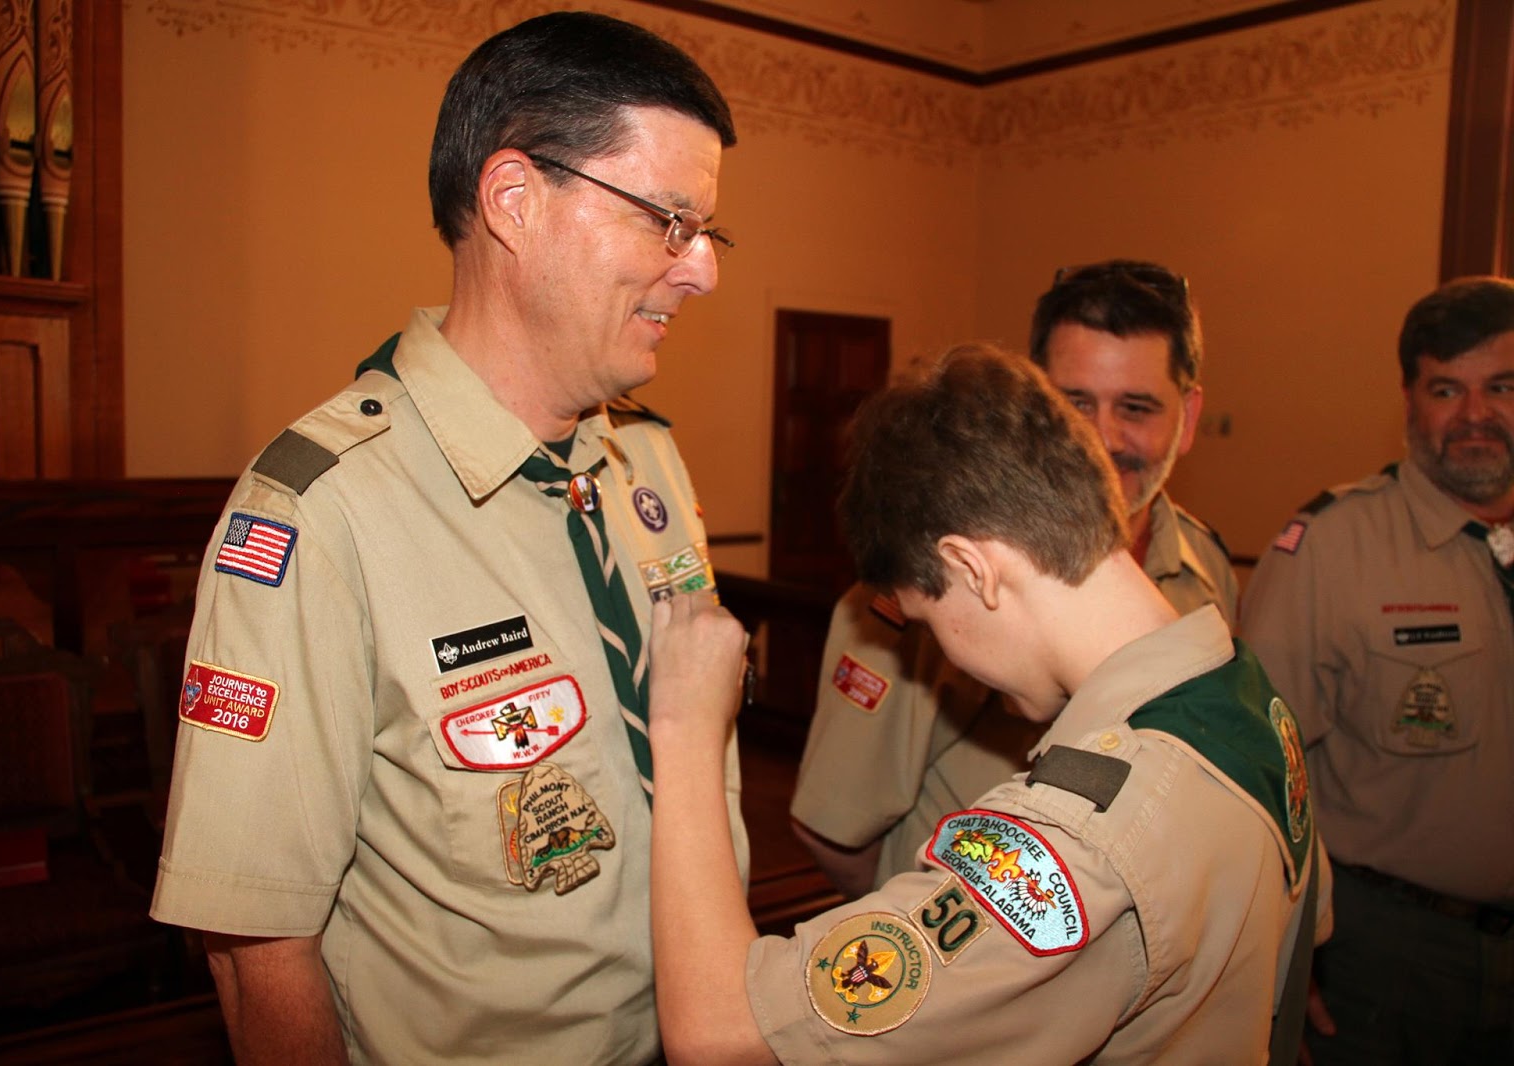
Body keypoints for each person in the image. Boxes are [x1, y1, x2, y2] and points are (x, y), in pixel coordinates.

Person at [149, 13, 747, 1064]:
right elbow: (255, 942)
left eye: (707, 232)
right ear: (514, 200)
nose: (700, 270)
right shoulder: (318, 512)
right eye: (668, 219)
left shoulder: (649, 462)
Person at [649, 345, 1327, 1063]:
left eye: (933, 621)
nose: (947, 654)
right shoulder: (1242, 692)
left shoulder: (1083, 841)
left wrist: (688, 725)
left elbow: (719, 1037)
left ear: (972, 567)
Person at [792, 260, 1239, 895]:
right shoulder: (921, 595)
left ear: (1188, 418)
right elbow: (837, 831)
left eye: (1135, 408)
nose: (1101, 438)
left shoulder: (1206, 566)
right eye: (1074, 402)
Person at [1240, 276, 1514, 1064]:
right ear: (1408, 400)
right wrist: (1288, 955)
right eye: (1445, 389)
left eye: (1501, 386)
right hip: (1386, 954)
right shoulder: (1330, 547)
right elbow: (1258, 775)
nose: (1475, 416)